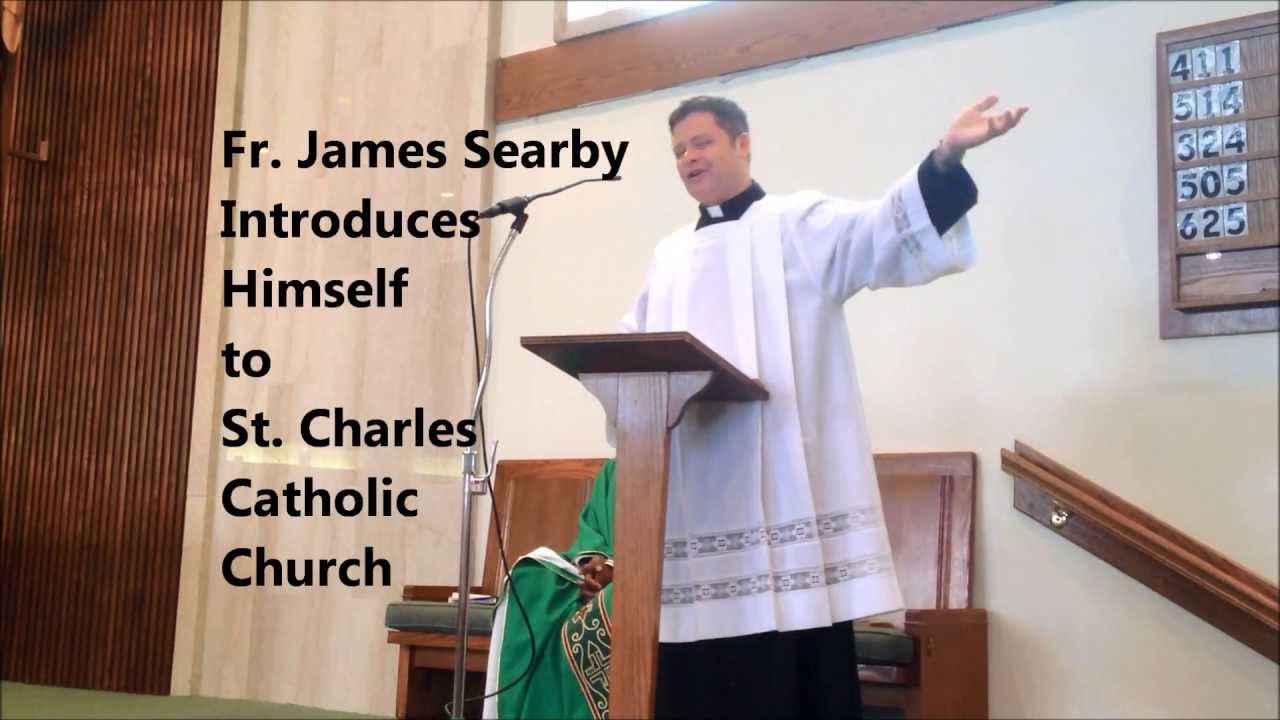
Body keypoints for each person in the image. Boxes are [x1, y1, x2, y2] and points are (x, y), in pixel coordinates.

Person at [485, 94, 1027, 719]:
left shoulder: (798, 225)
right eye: (679, 150)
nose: (689, 157)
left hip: (782, 507)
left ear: (743, 143)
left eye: (702, 142)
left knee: (787, 677)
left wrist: (946, 156)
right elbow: (628, 356)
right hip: (693, 506)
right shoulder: (669, 257)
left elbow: (884, 232)